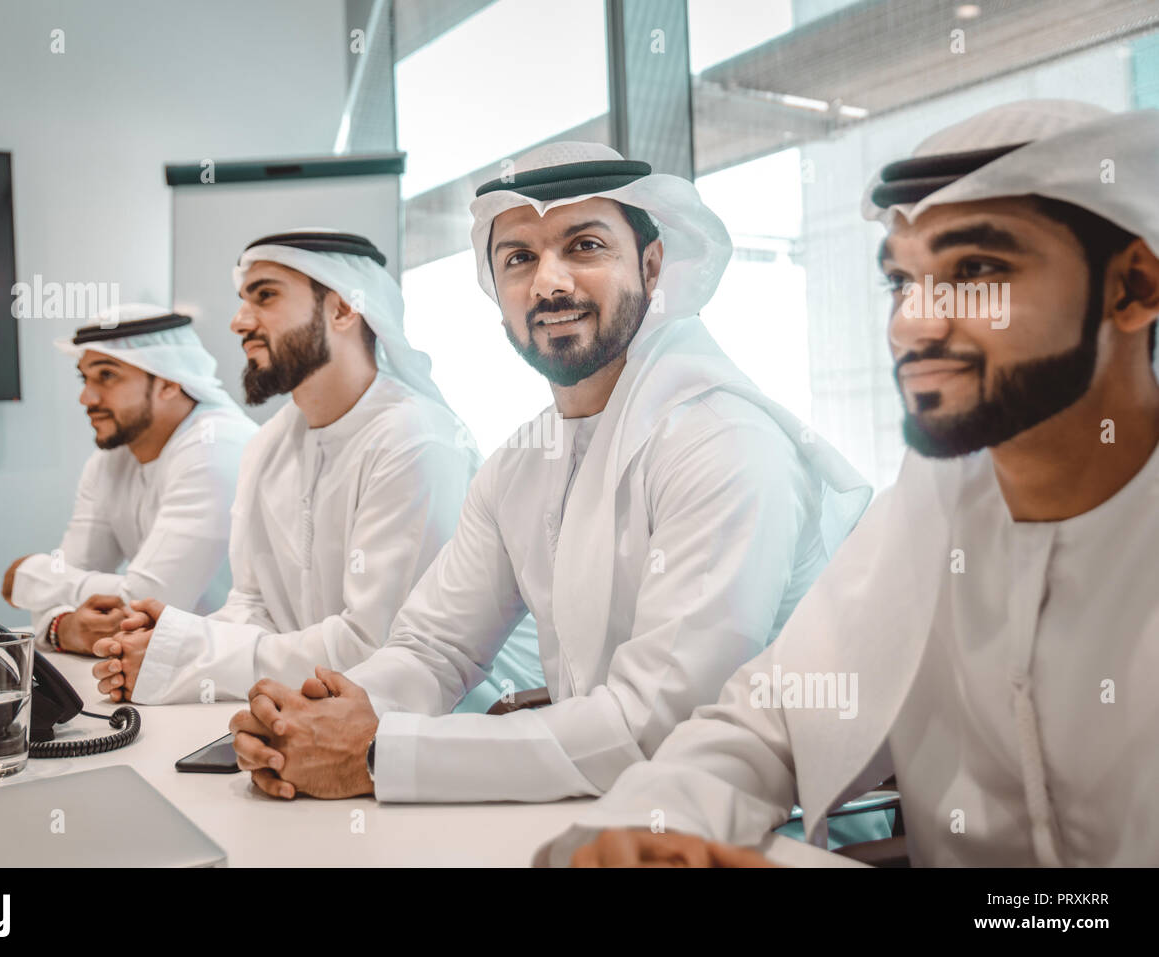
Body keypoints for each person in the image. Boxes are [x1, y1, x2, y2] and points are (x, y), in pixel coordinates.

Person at [542, 100, 1159, 867]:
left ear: (1132, 289)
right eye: (902, 279)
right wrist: (651, 834)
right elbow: (765, 724)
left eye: (976, 271)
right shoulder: (935, 505)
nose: (914, 325)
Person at [227, 143, 871, 806]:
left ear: (652, 266)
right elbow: (433, 647)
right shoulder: (521, 463)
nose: (548, 283)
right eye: (519, 259)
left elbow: (661, 724)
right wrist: (318, 719)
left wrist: (373, 754)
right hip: (590, 809)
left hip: (754, 838)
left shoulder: (722, 442)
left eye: (585, 245)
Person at [92, 230, 542, 712]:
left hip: (463, 727)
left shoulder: (415, 439)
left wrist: (186, 655)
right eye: (243, 300)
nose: (239, 322)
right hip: (321, 710)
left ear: (345, 309)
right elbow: (253, 604)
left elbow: (379, 645)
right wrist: (166, 643)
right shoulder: (267, 446)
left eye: (265, 296)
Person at [2, 305, 255, 655]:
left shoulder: (216, 444)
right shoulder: (110, 460)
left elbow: (150, 602)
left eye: (106, 376)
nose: (86, 398)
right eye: (84, 378)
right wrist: (64, 628)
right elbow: (75, 573)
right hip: (157, 668)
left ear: (168, 381)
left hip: (247, 674)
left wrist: (31, 576)